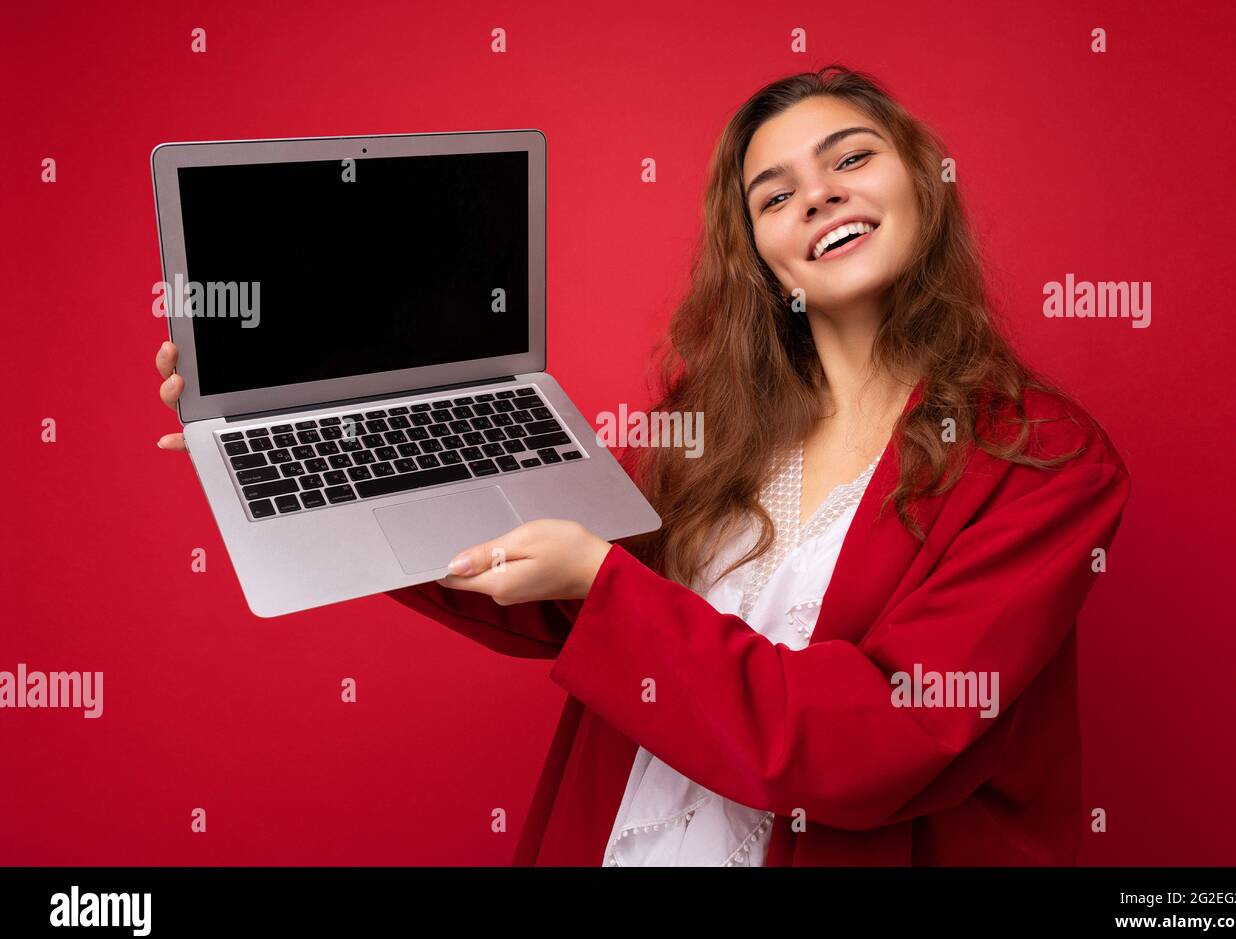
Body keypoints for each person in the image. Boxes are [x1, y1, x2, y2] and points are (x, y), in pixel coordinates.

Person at [155, 64, 1131, 866]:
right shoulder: (709, 425)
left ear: (922, 181)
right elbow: (556, 593)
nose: (818, 193)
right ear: (761, 257)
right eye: (775, 193)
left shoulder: (1041, 459)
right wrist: (305, 443)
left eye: (850, 157)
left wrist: (600, 580)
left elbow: (876, 739)